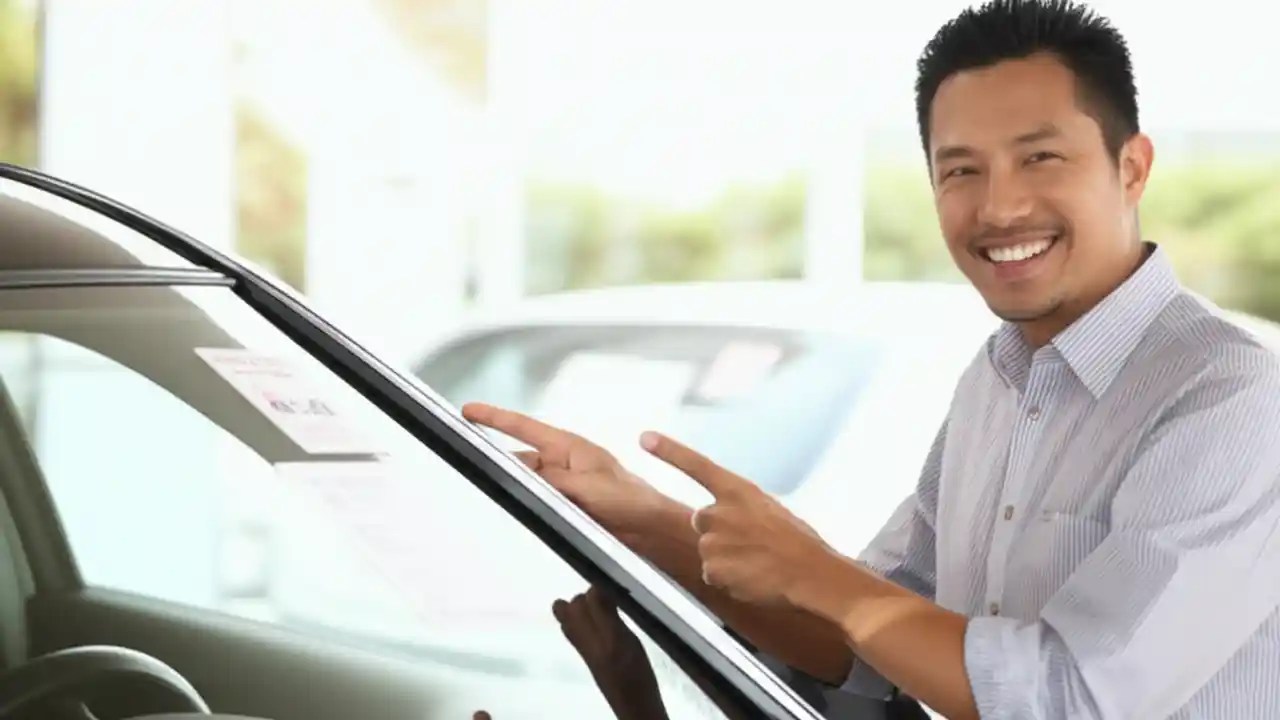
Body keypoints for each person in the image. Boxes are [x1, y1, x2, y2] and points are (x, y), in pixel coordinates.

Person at [465, 0, 1280, 717]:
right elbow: (859, 649)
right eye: (961, 170)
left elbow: (1069, 700)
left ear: (1130, 167)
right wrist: (640, 514)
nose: (998, 206)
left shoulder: (1230, 398)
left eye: (1040, 157)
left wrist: (816, 574)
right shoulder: (999, 381)